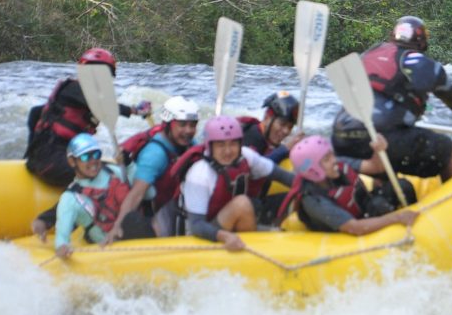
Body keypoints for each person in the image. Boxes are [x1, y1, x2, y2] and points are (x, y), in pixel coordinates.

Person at [331, 16, 452, 183]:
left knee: (387, 166)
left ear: (393, 35)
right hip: (380, 137)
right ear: (421, 41)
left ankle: (383, 191)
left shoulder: (369, 54)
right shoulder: (420, 63)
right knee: (446, 148)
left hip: (341, 137)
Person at [25, 47, 150, 187]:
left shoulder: (76, 95)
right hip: (51, 163)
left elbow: (35, 113)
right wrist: (135, 110)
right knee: (108, 177)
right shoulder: (74, 89)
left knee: (113, 170)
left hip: (52, 159)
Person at [180, 116, 294, 251]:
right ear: (210, 146)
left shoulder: (246, 156)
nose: (228, 151)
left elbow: (280, 175)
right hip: (203, 233)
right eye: (221, 145)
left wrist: (308, 186)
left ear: (240, 144)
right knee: (242, 204)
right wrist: (225, 237)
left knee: (290, 199)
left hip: (231, 221)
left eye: (233, 144)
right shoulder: (199, 174)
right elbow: (196, 225)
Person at [103, 95, 200, 243]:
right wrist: (118, 226)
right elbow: (136, 195)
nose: (188, 130)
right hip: (148, 213)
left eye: (193, 125)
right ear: (168, 124)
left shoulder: (189, 143)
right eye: (182, 124)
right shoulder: (155, 154)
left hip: (173, 203)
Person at [279, 136, 419, 235]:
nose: (334, 160)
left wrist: (379, 150)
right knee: (380, 206)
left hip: (363, 208)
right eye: (327, 159)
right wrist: (397, 218)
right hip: (348, 229)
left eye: (331, 155)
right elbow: (355, 228)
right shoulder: (313, 200)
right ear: (313, 170)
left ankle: (415, 223)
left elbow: (375, 167)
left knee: (402, 186)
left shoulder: (336, 166)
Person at [52, 134, 154, 260]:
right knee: (132, 220)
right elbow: (61, 239)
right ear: (72, 161)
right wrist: (62, 248)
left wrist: (129, 165)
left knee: (137, 218)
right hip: (109, 249)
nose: (93, 161)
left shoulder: (114, 171)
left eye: (96, 154)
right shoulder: (70, 199)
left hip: (136, 230)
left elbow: (150, 194)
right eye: (85, 157)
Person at [240, 91, 303, 162]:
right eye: (282, 124)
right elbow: (253, 166)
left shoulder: (267, 141)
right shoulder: (251, 137)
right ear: (267, 118)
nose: (286, 131)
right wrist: (285, 149)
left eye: (290, 127)